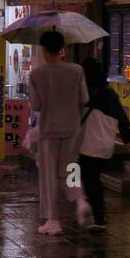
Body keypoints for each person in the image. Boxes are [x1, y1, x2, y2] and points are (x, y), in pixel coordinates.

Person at [28, 30, 90, 234]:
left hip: (49, 132)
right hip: (72, 129)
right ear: (62, 48)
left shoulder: (37, 75)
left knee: (49, 176)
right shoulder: (77, 70)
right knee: (71, 169)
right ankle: (80, 200)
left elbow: (36, 105)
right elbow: (84, 99)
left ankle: (53, 219)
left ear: (44, 50)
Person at [78, 60, 130, 232]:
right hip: (106, 146)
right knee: (94, 179)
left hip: (87, 144)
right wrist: (126, 139)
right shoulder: (110, 94)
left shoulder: (83, 94)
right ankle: (97, 213)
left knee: (91, 181)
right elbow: (123, 120)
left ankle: (98, 217)